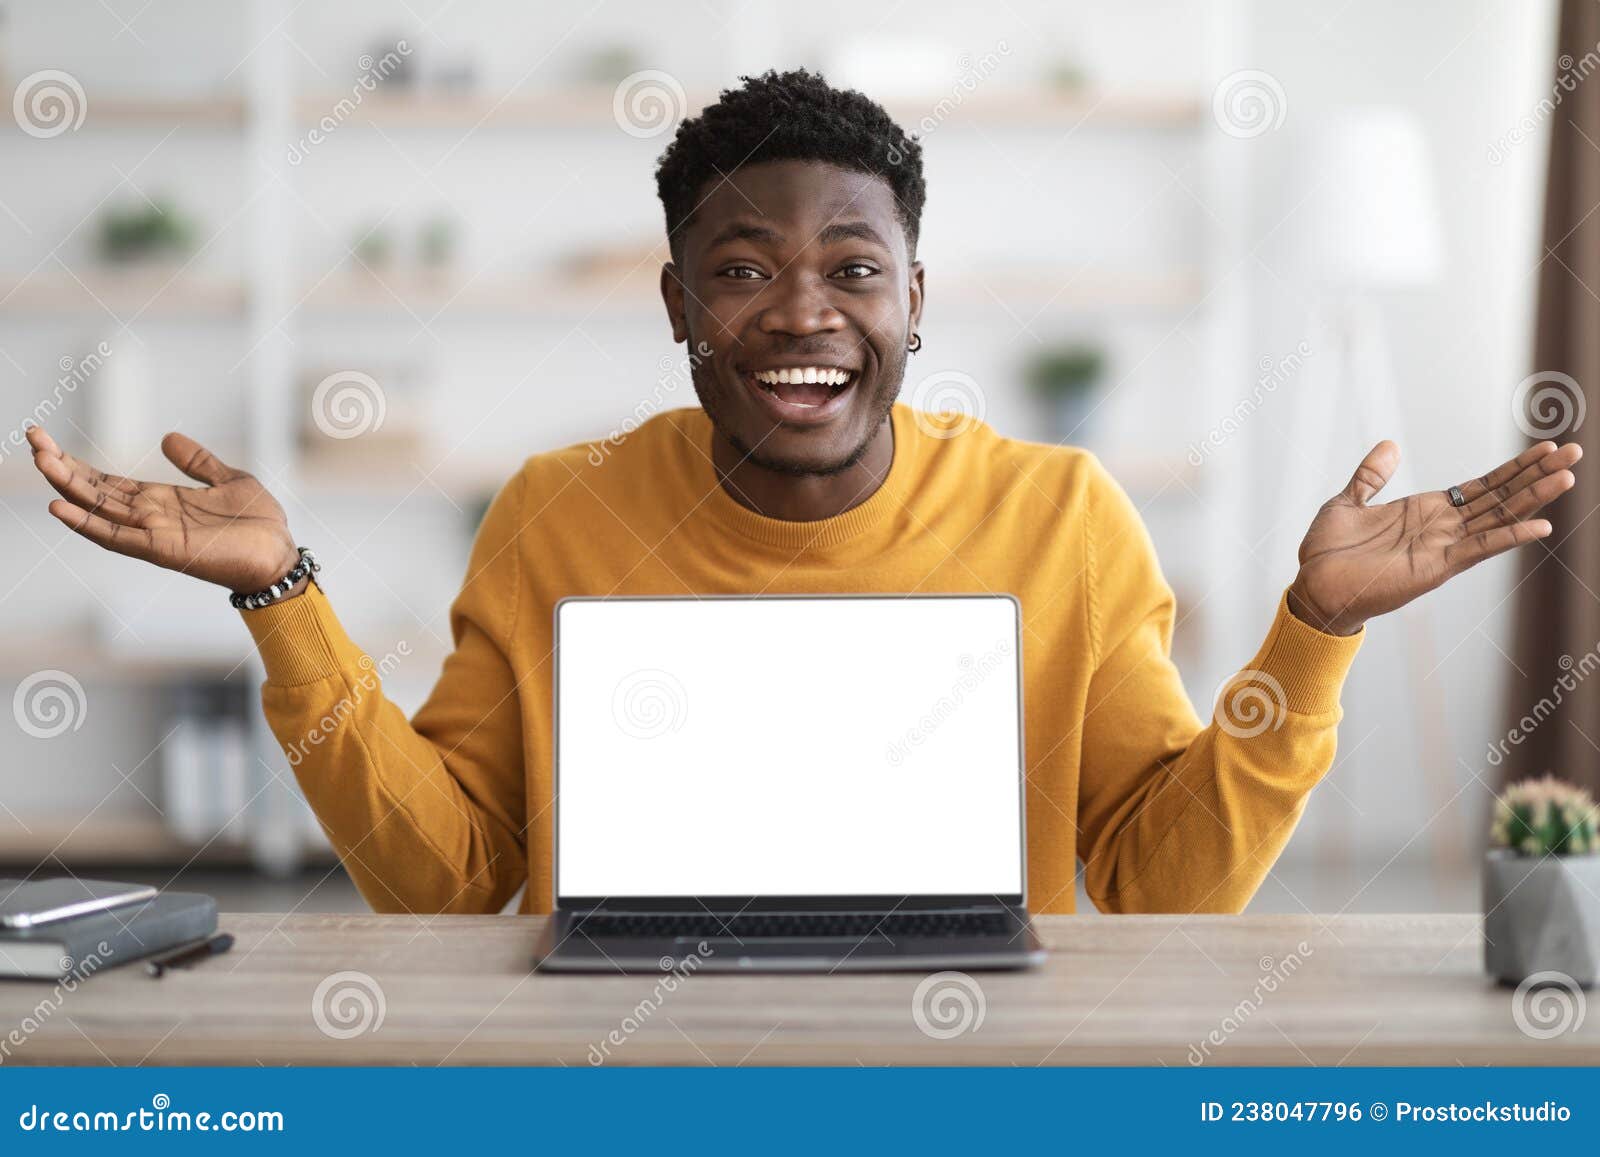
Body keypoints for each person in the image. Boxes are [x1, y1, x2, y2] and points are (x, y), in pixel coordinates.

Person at [25, 70, 1580, 916]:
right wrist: (281, 597)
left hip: (980, 1056)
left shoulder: (1064, 515)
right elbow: (455, 880)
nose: (802, 314)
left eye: (853, 269)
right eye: (743, 270)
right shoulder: (556, 511)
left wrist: (1311, 627)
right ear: (678, 305)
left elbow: (1158, 886)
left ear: (917, 301)